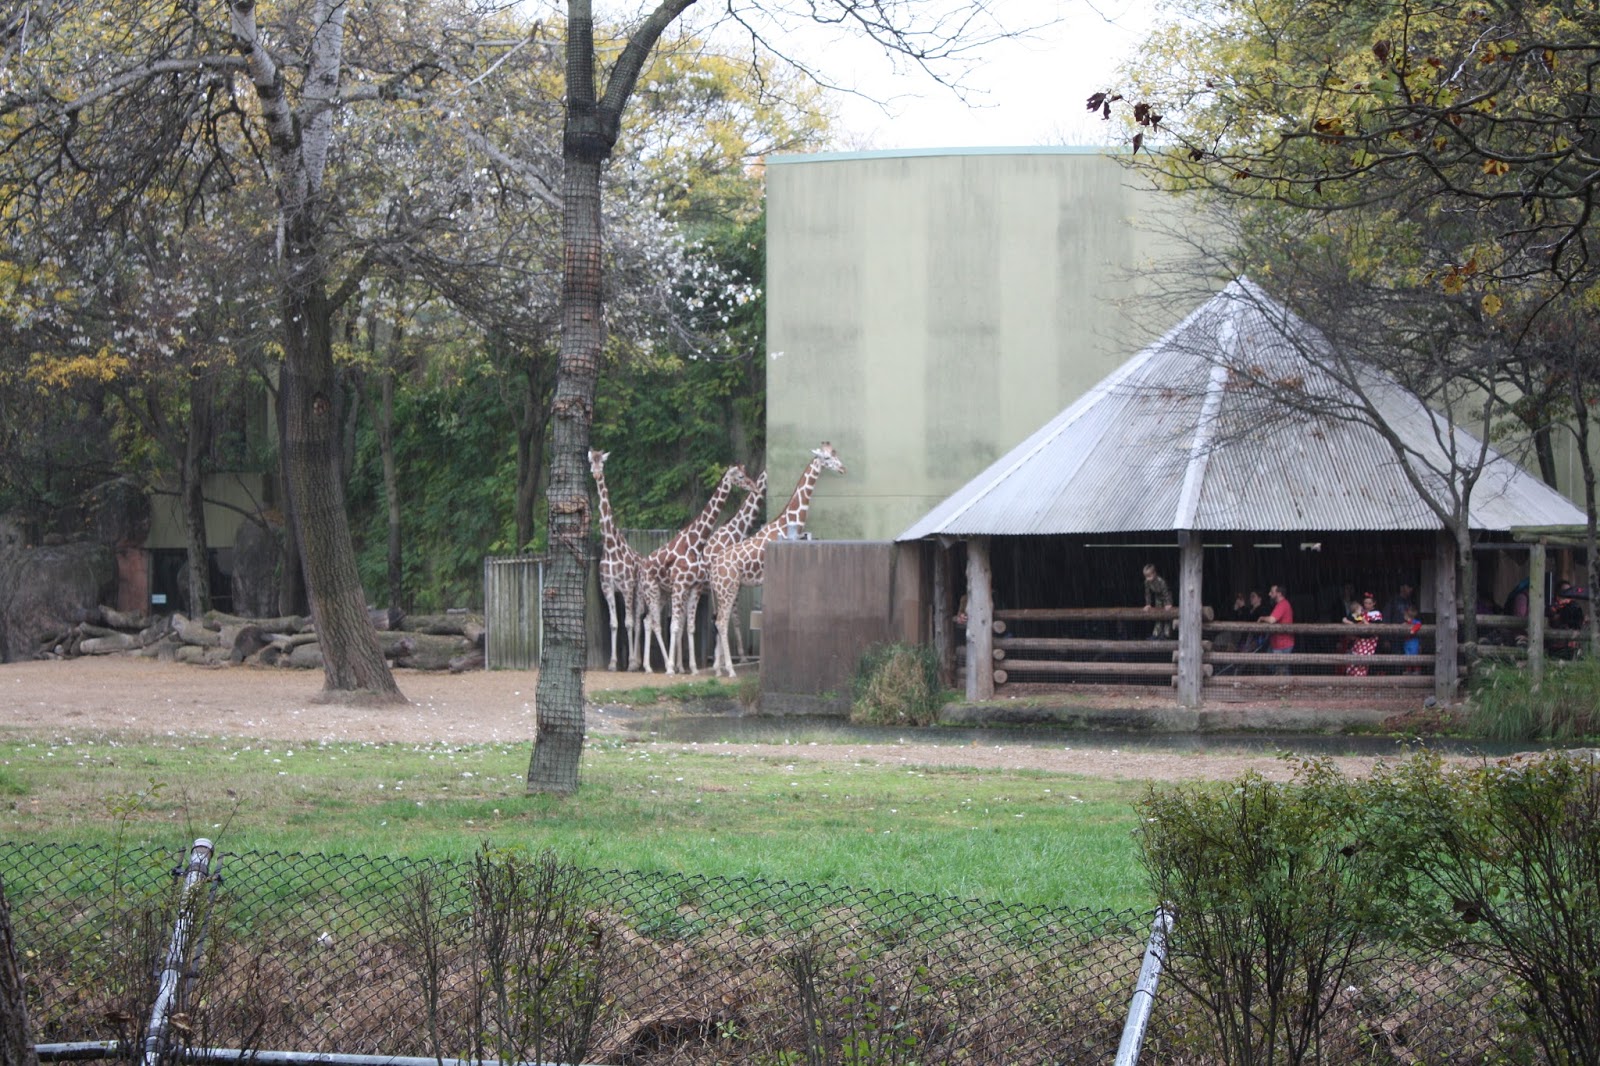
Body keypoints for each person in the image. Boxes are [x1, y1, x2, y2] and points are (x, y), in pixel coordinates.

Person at [1343, 592, 1381, 676]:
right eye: (1365, 603)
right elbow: (1351, 617)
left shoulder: (1376, 614)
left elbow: (1374, 627)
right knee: (1354, 659)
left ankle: (1362, 678)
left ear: (1374, 603)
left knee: (1364, 661)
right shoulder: (1360, 611)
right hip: (1358, 640)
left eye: (1369, 603)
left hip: (1370, 641)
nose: (1367, 605)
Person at [1260, 584, 1295, 674]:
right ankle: (1285, 685)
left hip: (1283, 643)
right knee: (1278, 667)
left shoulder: (1282, 605)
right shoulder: (1281, 604)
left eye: (1272, 592)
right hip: (1277, 642)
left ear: (1279, 593)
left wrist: (1262, 618)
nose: (1269, 594)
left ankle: (1287, 686)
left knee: (1282, 669)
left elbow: (1272, 620)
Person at [1142, 563, 1173, 639]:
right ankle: (1156, 633)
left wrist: (1168, 603)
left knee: (1167, 615)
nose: (1148, 578)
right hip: (1158, 597)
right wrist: (1148, 604)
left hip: (1166, 597)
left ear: (1154, 573)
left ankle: (1166, 634)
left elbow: (1166, 592)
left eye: (1149, 576)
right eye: (1146, 577)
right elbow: (1147, 593)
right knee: (1158, 615)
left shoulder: (1161, 581)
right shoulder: (1147, 582)